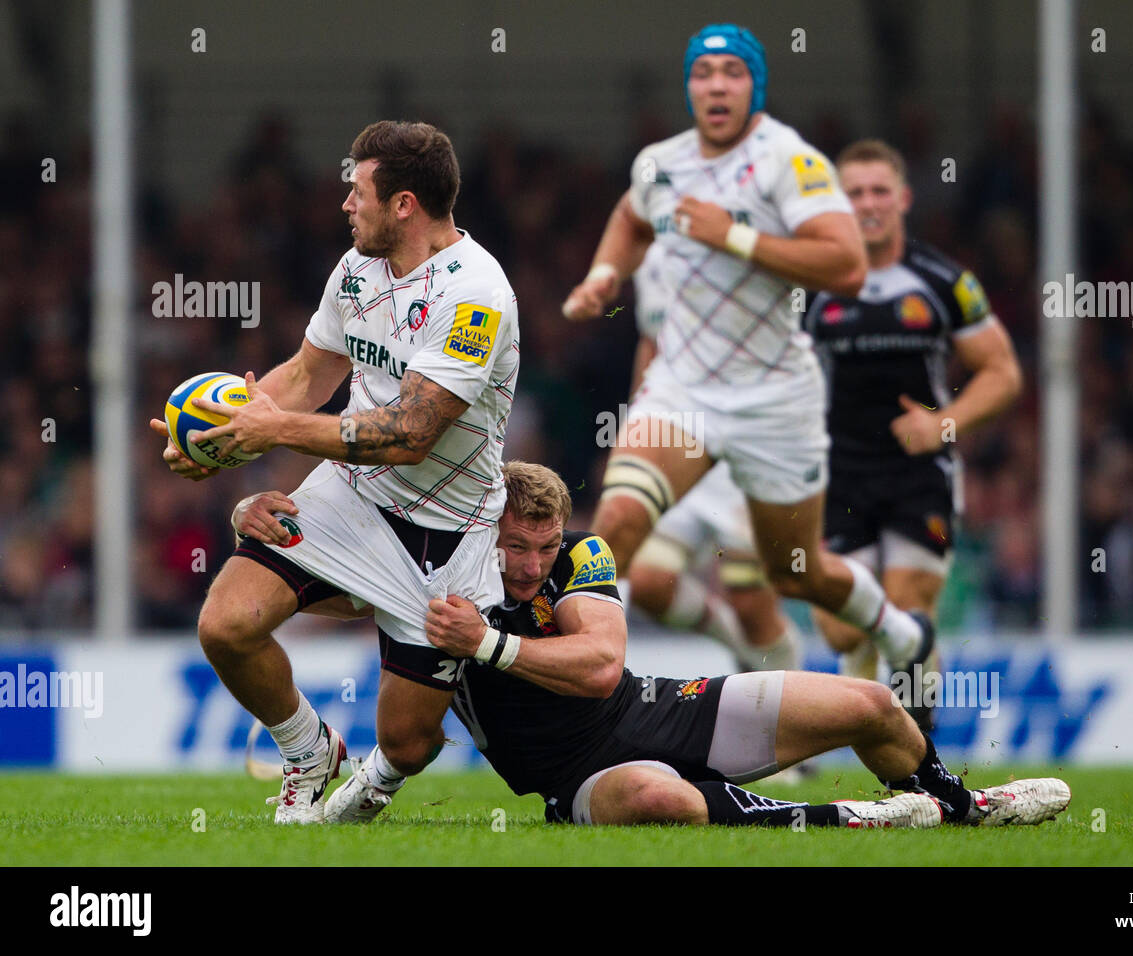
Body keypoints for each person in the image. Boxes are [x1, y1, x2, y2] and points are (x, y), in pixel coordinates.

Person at [236, 462, 1070, 828]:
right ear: (488, 535)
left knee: (872, 704)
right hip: (577, 779)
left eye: (544, 545)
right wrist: (256, 524)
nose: (530, 565)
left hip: (655, 712)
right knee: (659, 803)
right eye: (515, 549)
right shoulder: (444, 572)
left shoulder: (582, 555)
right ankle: (864, 820)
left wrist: (487, 644)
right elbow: (314, 591)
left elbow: (601, 668)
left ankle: (964, 809)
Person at [149, 120, 520, 823]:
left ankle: (374, 783)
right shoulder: (356, 270)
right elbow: (305, 374)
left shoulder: (476, 295)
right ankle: (308, 750)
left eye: (358, 192)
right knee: (226, 626)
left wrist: (276, 431)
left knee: (408, 744)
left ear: (403, 203)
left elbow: (410, 434)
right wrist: (221, 438)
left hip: (445, 532)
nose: (346, 204)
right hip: (350, 496)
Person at [562, 24, 935, 699]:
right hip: (682, 390)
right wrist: (604, 275)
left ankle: (902, 634)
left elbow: (847, 265)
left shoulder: (789, 163)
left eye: (732, 73)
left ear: (754, 85)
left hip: (773, 399)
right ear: (690, 88)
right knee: (610, 532)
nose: (716, 86)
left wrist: (732, 234)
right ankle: (573, 692)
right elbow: (631, 216)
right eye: (703, 75)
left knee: (796, 574)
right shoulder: (662, 163)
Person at [804, 140, 1023, 727]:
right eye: (855, 193)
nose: (868, 203)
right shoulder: (810, 284)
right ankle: (881, 726)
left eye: (880, 191)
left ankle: (917, 764)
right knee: (840, 628)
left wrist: (943, 424)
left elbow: (1002, 372)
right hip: (836, 474)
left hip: (917, 475)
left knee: (907, 611)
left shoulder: (943, 281)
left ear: (902, 198)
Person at [625, 243, 804, 675]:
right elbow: (652, 345)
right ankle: (734, 641)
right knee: (647, 581)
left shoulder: (756, 245)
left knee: (748, 597)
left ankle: (787, 703)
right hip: (680, 441)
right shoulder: (652, 260)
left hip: (748, 447)